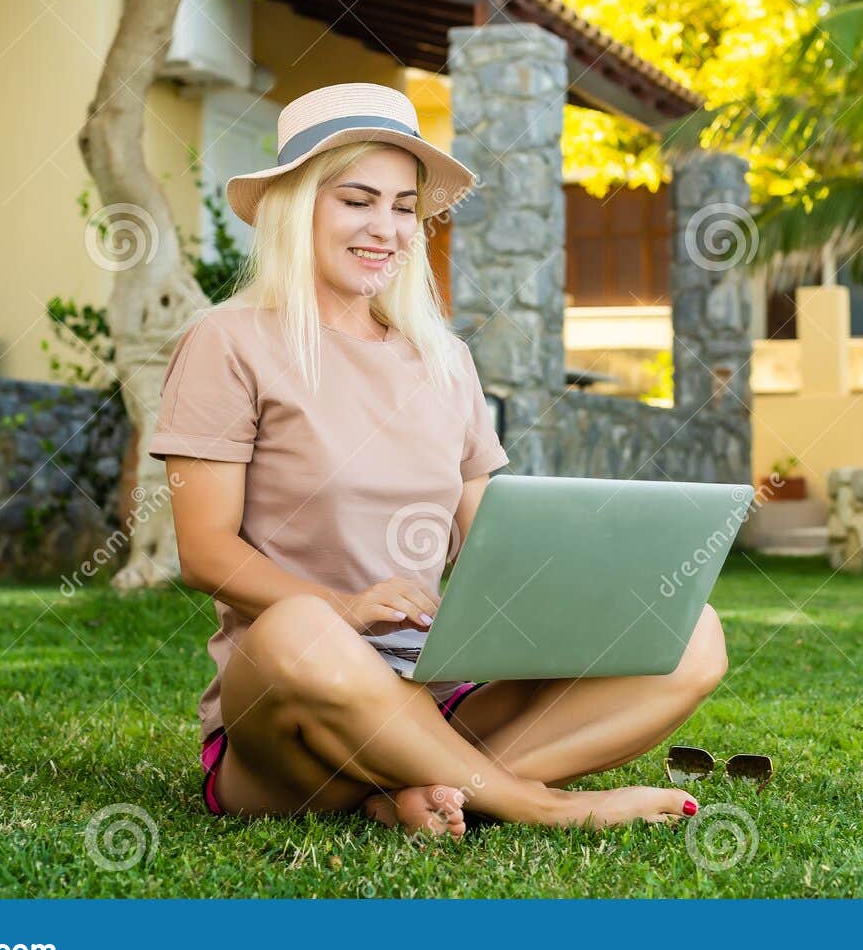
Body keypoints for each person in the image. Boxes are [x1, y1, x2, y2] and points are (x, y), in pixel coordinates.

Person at [147, 83, 727, 837]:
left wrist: (582, 599)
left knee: (694, 633)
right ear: (297, 205)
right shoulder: (228, 342)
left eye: (402, 207)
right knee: (301, 629)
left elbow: (490, 542)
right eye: (357, 200)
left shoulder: (444, 360)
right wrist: (346, 609)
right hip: (288, 710)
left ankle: (414, 790)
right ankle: (532, 802)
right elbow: (204, 550)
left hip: (434, 694)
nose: (384, 228)